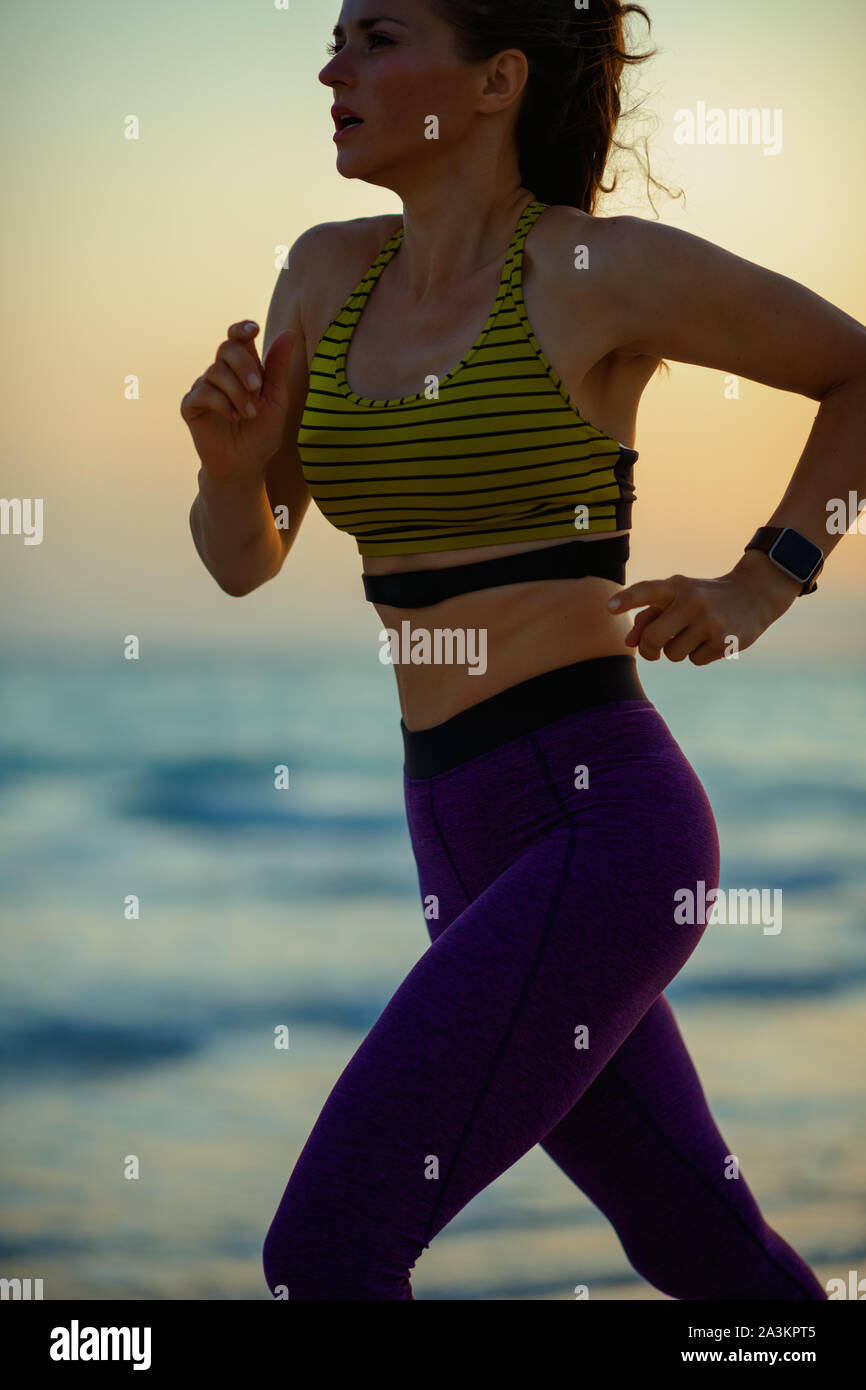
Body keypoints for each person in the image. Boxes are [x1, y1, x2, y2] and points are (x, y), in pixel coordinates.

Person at [181, 0, 866, 1300]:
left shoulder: (591, 271)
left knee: (326, 1249)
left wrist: (762, 580)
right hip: (451, 826)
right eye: (332, 38)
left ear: (495, 79)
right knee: (698, 1248)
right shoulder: (323, 272)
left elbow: (857, 372)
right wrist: (227, 470)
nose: (332, 66)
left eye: (377, 36)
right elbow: (244, 556)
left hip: (603, 823)